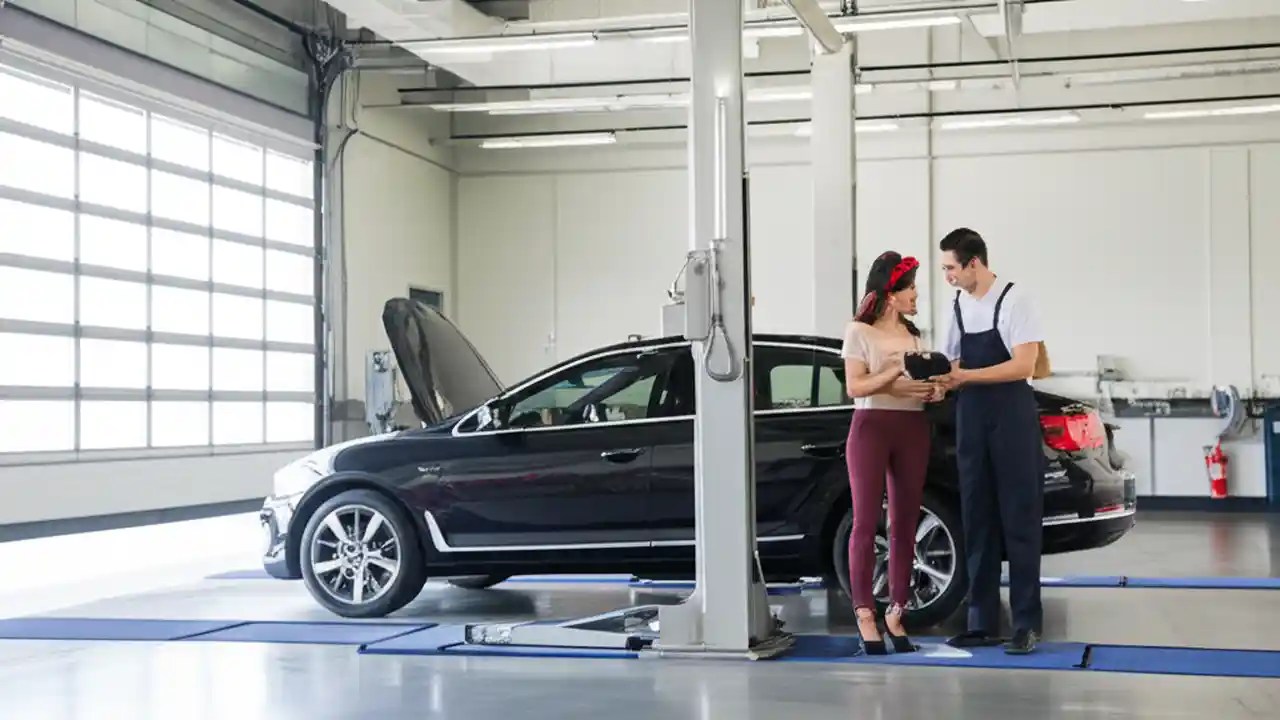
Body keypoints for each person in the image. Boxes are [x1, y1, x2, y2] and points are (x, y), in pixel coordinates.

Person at [931, 228, 1045, 655]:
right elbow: (952, 360)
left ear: (974, 263)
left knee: (1019, 516)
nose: (948, 277)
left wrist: (964, 377)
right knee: (976, 515)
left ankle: (1027, 623)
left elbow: (1023, 365)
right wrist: (936, 380)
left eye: (951, 268)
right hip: (972, 416)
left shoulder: (1017, 300)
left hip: (1011, 414)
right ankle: (981, 620)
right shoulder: (957, 304)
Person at [841, 251, 944, 655]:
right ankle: (865, 611)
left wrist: (933, 389)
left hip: (912, 427)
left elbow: (911, 385)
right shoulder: (859, 332)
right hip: (871, 428)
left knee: (904, 522)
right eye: (911, 288)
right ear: (891, 294)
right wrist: (896, 371)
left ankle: (897, 610)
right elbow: (856, 387)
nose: (917, 295)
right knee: (866, 523)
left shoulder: (914, 335)